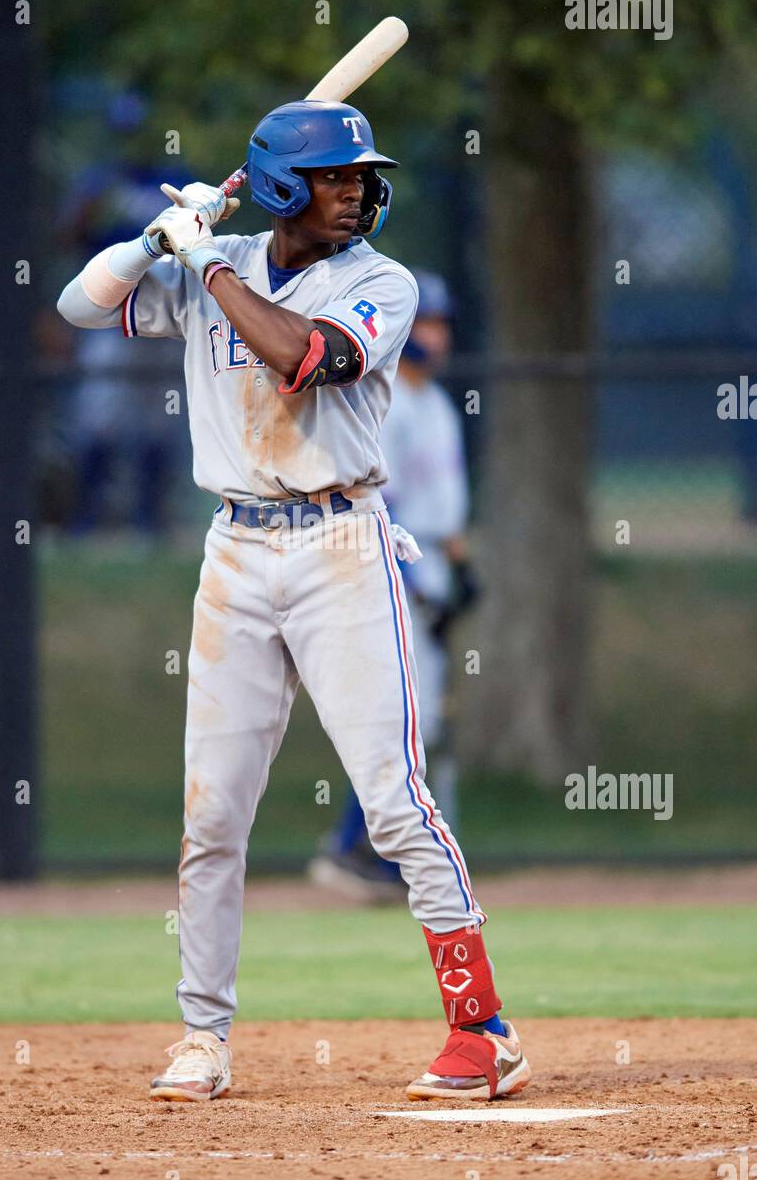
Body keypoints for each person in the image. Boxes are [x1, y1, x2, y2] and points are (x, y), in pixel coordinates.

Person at [57, 99, 531, 1103]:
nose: (353, 187)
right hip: (233, 553)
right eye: (330, 175)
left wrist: (209, 265)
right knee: (212, 810)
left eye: (359, 173)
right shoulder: (205, 261)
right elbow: (77, 310)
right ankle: (200, 1035)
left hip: (340, 547)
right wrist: (154, 240)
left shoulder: (379, 282)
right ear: (279, 186)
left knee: (394, 800)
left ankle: (479, 1029)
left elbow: (306, 359)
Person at [309, 269, 479, 901]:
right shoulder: (389, 401)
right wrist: (416, 584)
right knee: (401, 720)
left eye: (442, 324)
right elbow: (379, 497)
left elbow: (445, 501)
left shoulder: (436, 402)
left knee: (421, 721)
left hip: (433, 560)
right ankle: (357, 846)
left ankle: (375, 851)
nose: (437, 335)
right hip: (395, 564)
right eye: (426, 323)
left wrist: (462, 571)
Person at [58, 93, 195, 535]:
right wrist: (89, 205)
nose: (132, 142)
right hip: (112, 315)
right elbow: (67, 238)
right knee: (99, 417)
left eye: (137, 133)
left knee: (159, 422)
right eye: (125, 133)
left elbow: (202, 235)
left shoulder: (174, 179)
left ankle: (149, 523)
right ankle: (87, 520)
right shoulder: (99, 181)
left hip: (164, 309)